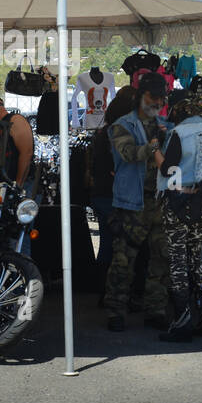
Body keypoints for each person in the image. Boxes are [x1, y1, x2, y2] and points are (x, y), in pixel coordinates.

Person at [103, 73, 170, 332]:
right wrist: (155, 146)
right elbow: (129, 153)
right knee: (123, 260)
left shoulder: (165, 125)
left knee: (160, 259)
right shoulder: (122, 125)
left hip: (159, 201)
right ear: (140, 97)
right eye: (153, 97)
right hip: (132, 203)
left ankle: (156, 309)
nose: (157, 102)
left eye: (161, 98)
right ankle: (115, 311)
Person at [157, 96, 202, 342]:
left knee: (177, 261)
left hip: (178, 201)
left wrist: (155, 148)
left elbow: (168, 170)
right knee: (197, 258)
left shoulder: (179, 133)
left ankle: (182, 321)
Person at [89, 86, 137, 303]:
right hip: (117, 195)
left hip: (101, 193)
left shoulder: (102, 133)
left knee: (107, 245)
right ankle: (117, 294)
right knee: (122, 247)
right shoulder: (122, 134)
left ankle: (104, 291)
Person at [0, 96, 35, 189]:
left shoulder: (15, 120)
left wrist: (18, 184)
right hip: (7, 184)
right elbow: (3, 162)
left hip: (22, 184)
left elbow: (26, 153)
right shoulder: (1, 126)